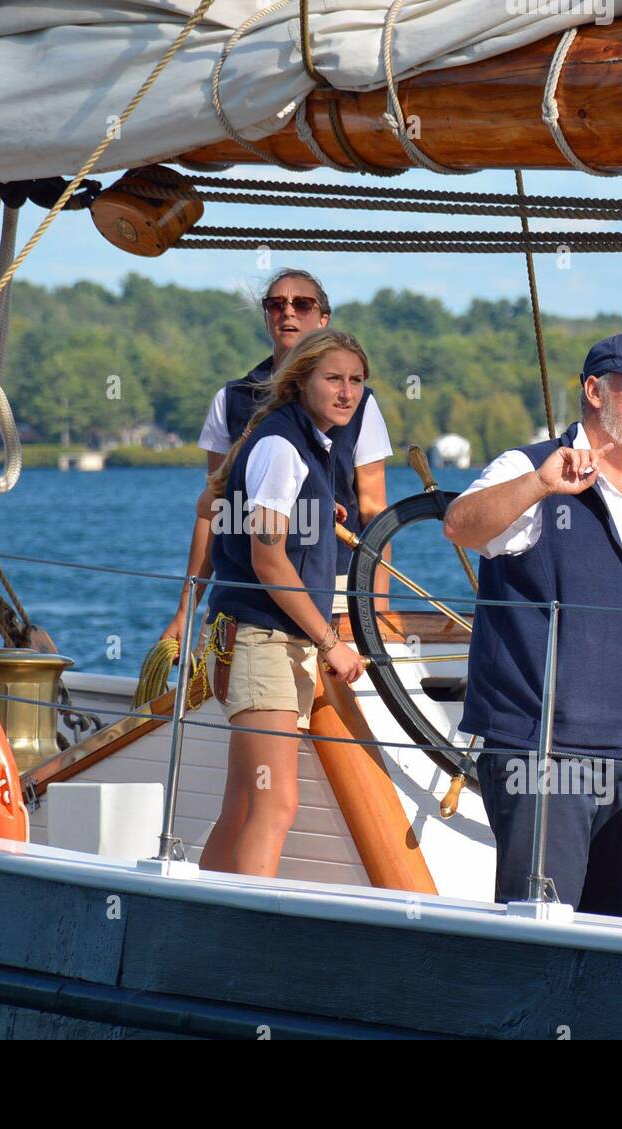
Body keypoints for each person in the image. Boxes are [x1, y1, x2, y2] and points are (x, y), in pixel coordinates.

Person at [442, 333, 622, 918]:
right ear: (594, 391)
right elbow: (460, 526)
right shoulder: (528, 468)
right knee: (541, 936)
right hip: (545, 757)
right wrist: (540, 483)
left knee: (614, 942)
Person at [199, 329, 369, 877]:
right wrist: (332, 643)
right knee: (275, 803)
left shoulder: (297, 442)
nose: (347, 393)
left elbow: (233, 510)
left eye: (357, 382)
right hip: (262, 640)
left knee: (246, 804)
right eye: (334, 379)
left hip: (263, 639)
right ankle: (247, 936)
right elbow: (269, 561)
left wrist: (316, 517)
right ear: (301, 382)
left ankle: (207, 921)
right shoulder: (281, 445)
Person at [158, 269, 392, 646]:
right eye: (275, 304)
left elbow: (375, 512)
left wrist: (376, 611)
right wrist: (187, 610)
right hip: (248, 590)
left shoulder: (360, 404)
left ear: (323, 318)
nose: (289, 313)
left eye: (302, 304)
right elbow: (216, 510)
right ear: (266, 315)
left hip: (336, 586)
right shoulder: (231, 400)